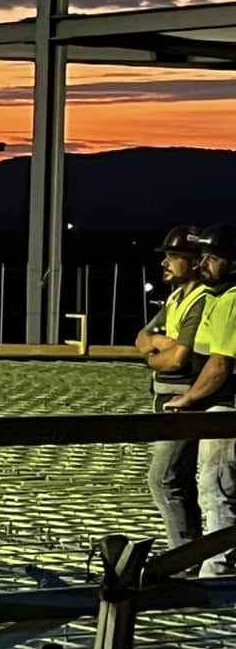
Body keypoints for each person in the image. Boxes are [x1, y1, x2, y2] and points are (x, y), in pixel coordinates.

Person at [165, 223, 236, 576]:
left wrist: (189, 398)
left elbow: (220, 366)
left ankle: (217, 574)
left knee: (216, 489)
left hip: (226, 408)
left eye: (212, 257)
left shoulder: (232, 299)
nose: (203, 263)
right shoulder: (217, 297)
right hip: (220, 405)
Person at [138, 225, 211, 552]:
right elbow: (142, 339)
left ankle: (183, 557)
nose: (166, 263)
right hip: (167, 398)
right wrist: (158, 345)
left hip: (185, 402)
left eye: (175, 256)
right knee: (179, 480)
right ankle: (190, 552)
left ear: (196, 261)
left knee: (163, 478)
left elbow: (179, 359)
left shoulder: (202, 299)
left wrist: (156, 354)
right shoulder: (175, 298)